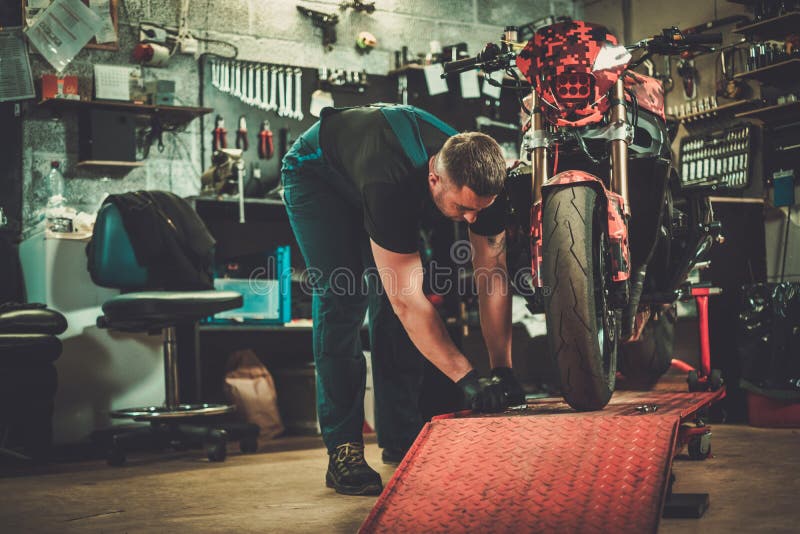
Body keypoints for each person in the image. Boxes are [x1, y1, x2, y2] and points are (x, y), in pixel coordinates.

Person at [280, 104, 525, 496]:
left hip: (377, 171)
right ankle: (344, 449)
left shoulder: (482, 185)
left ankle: (399, 438)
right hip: (319, 177)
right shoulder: (390, 182)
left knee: (394, 312)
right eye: (462, 209)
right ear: (434, 180)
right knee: (345, 298)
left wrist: (502, 369)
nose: (472, 220)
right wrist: (468, 378)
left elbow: (492, 278)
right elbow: (407, 301)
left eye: (479, 210)